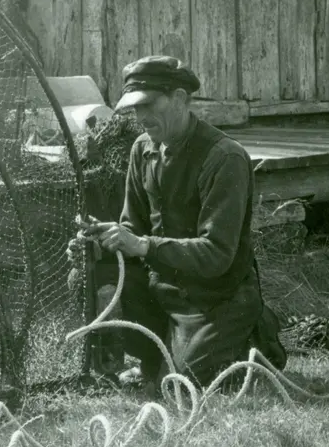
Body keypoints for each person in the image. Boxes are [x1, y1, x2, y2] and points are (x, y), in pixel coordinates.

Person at [76, 56, 285, 394]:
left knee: (178, 387)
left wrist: (143, 245)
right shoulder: (142, 150)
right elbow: (133, 227)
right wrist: (101, 242)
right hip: (163, 291)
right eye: (135, 108)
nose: (141, 118)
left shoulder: (224, 157)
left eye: (149, 105)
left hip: (215, 299)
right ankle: (158, 355)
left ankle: (251, 338)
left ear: (178, 99)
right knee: (87, 275)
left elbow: (217, 254)